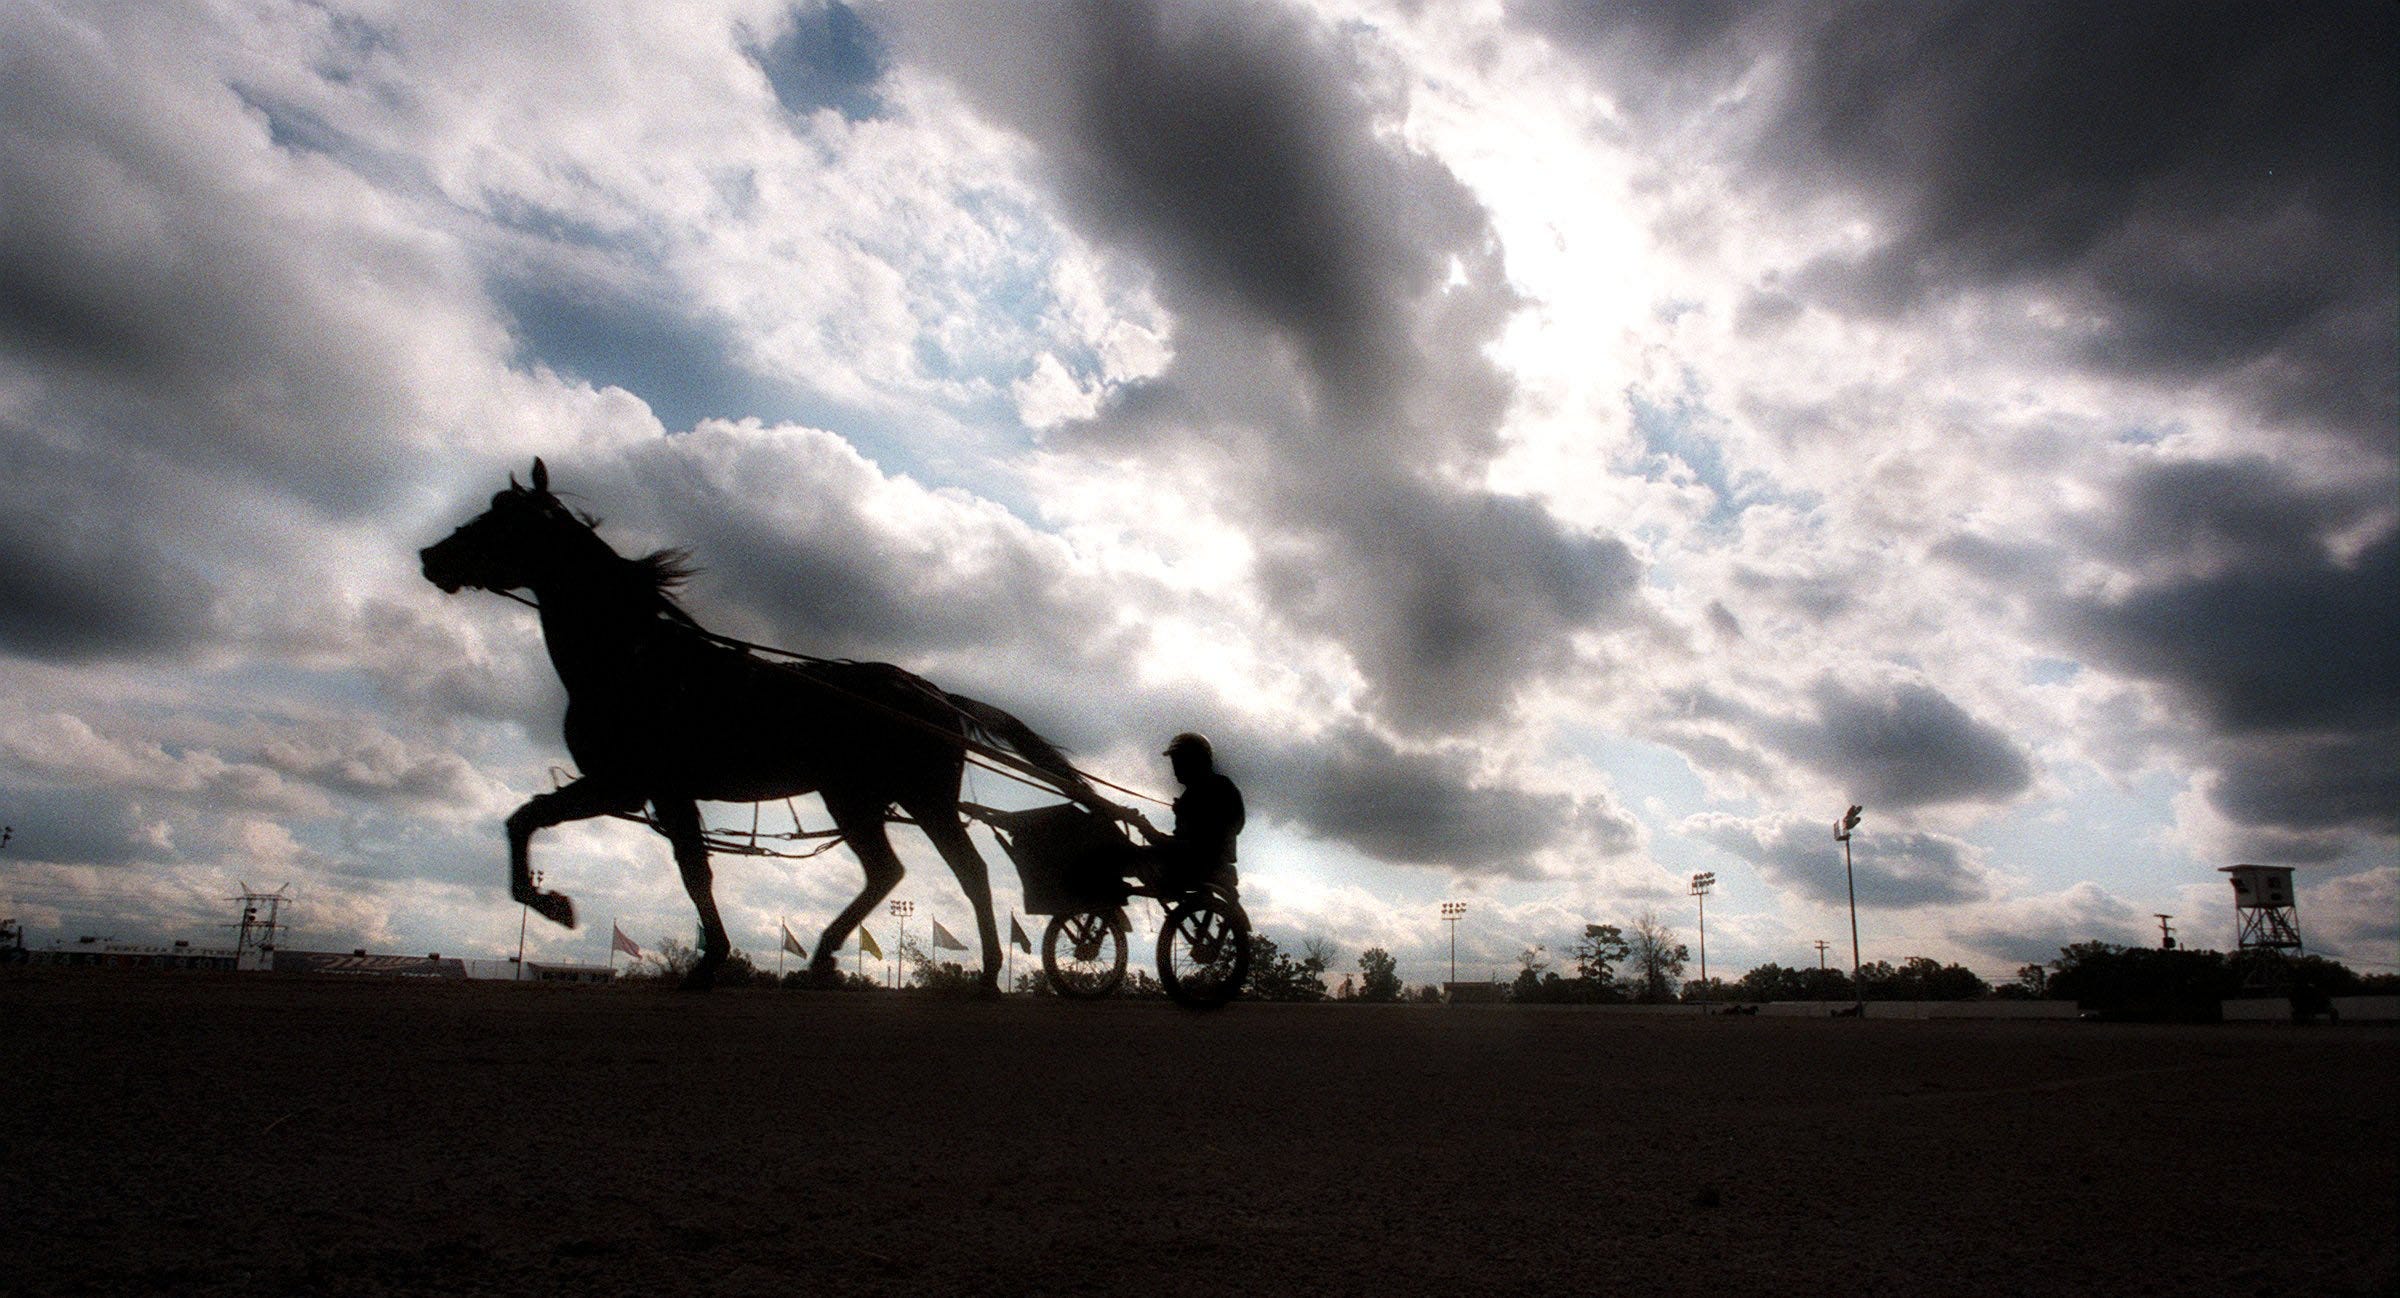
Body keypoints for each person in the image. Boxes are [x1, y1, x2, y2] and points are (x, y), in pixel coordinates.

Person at [1122, 732, 1244, 896]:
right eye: (1174, 763)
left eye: (1179, 762)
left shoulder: (1215, 788)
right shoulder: (1200, 792)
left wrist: (1147, 830)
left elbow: (1195, 845)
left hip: (1198, 863)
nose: (1175, 769)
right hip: (1199, 858)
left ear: (1197, 761)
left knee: (1125, 858)